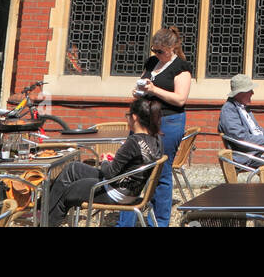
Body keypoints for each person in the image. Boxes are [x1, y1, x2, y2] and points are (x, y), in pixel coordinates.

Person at [47, 96, 163, 226]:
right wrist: (115, 160)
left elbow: (109, 173)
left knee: (66, 193)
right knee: (72, 168)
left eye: (128, 115)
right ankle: (44, 206)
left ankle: (46, 220)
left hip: (116, 191)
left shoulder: (133, 141)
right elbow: (136, 163)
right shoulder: (156, 140)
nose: (127, 118)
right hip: (129, 189)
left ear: (134, 117)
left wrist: (105, 161)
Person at [122, 26, 191, 228]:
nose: (157, 54)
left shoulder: (181, 67)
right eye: (154, 50)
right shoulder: (152, 63)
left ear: (172, 48)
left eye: (160, 51)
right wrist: (139, 91)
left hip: (169, 121)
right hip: (145, 119)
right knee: (132, 166)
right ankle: (125, 220)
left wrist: (154, 89)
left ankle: (159, 222)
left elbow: (180, 99)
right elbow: (145, 82)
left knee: (161, 170)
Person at [219, 73, 264, 169]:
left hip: (259, 149)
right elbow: (240, 138)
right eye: (250, 90)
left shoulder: (243, 108)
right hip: (248, 155)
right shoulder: (229, 110)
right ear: (240, 93)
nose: (253, 93)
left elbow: (257, 130)